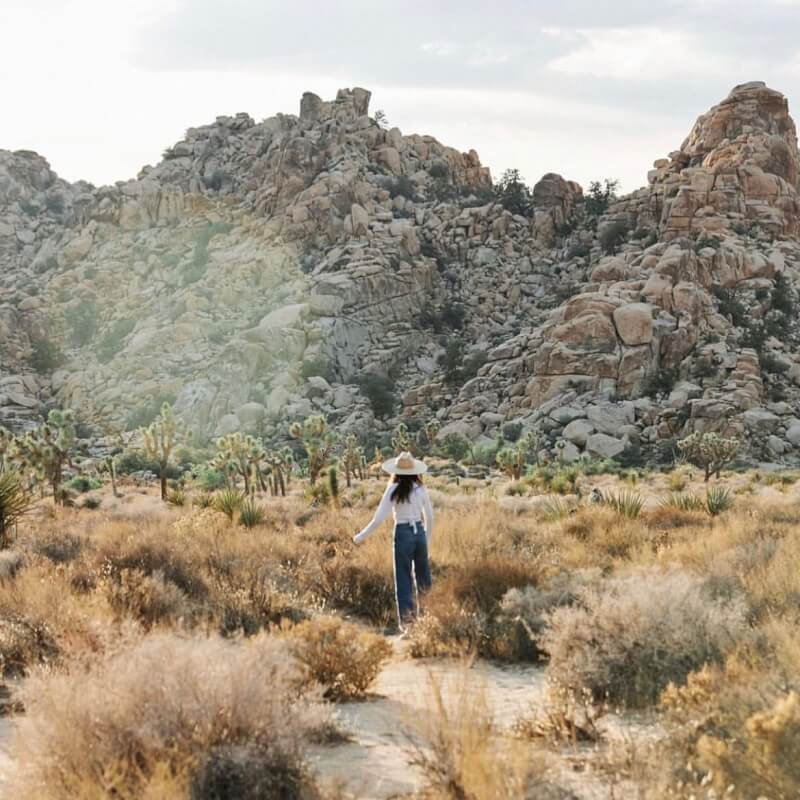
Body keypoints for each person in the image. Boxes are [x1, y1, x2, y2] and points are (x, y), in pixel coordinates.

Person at [353, 451, 433, 631]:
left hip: (403, 533)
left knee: (403, 579)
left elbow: (378, 520)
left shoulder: (393, 489)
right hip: (419, 533)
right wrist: (426, 541)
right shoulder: (420, 489)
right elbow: (430, 517)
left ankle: (408, 626)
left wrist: (360, 537)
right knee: (424, 580)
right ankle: (429, 622)